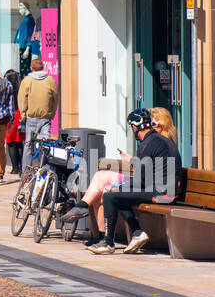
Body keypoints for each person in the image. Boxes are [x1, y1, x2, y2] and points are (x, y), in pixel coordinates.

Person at [63, 107, 177, 246]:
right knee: (112, 190)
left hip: (161, 192)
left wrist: (119, 187)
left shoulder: (148, 144)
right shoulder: (157, 141)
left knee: (111, 194)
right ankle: (132, 232)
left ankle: (108, 242)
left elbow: (140, 180)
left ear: (135, 128)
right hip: (162, 188)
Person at [17, 56, 60, 149]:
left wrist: (23, 114)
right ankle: (44, 163)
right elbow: (55, 98)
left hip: (31, 117)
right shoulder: (50, 80)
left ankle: (26, 164)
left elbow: (22, 99)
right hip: (45, 118)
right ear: (42, 67)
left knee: (28, 144)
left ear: (31, 68)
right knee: (46, 145)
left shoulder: (27, 80)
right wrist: (51, 113)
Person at [4, 69, 24, 176]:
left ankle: (15, 168)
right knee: (19, 142)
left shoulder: (7, 88)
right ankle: (21, 167)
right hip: (20, 114)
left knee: (11, 142)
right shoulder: (21, 88)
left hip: (10, 116)